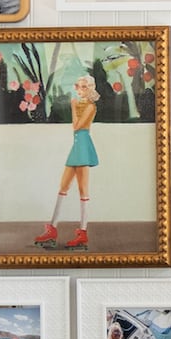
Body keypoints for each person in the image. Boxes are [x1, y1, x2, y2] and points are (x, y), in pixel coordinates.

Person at [35, 69, 100, 249]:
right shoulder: (80, 104)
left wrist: (73, 108)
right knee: (63, 186)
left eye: (83, 87)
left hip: (83, 146)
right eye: (78, 86)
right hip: (77, 146)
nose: (79, 89)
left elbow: (77, 127)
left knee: (82, 189)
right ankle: (53, 227)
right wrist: (74, 106)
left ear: (89, 89)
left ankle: (83, 231)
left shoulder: (90, 106)